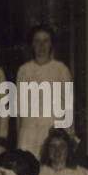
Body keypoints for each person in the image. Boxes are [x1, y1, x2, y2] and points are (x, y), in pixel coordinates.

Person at [15, 24, 73, 159]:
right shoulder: (24, 70)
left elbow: (68, 105)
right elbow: (19, 107)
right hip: (29, 130)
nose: (41, 45)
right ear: (32, 44)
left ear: (51, 44)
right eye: (37, 41)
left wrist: (68, 134)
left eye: (45, 41)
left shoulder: (61, 69)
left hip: (52, 128)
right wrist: (19, 134)